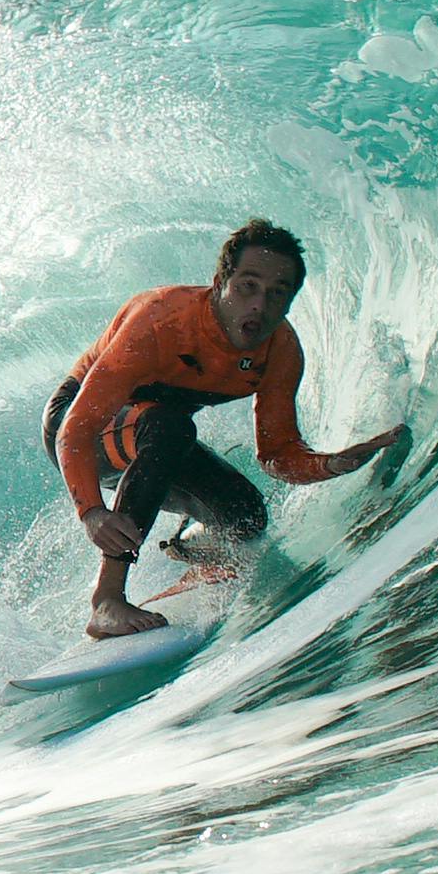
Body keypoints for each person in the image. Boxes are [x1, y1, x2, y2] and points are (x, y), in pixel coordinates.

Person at [45, 218, 405, 640]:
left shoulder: (281, 351)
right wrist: (91, 512)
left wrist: (332, 464)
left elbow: (277, 454)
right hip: (80, 427)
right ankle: (106, 600)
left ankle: (199, 551)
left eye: (278, 294)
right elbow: (77, 428)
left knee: (246, 517)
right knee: (170, 427)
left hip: (157, 436)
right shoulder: (161, 320)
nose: (260, 306)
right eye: (248, 286)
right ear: (220, 282)